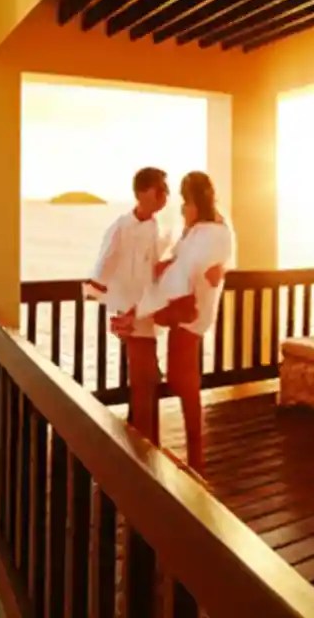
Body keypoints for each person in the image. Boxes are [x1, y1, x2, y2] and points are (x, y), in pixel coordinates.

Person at [132, 171, 235, 474]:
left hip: (192, 313)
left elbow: (193, 267)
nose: (181, 208)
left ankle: (196, 459)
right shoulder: (197, 230)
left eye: (186, 201)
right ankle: (190, 456)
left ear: (197, 201)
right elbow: (180, 261)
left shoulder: (214, 232)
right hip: (183, 311)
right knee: (181, 380)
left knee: (184, 383)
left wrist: (161, 291)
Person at [83, 167, 170, 443]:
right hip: (131, 311)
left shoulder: (158, 228)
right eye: (160, 189)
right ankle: (145, 439)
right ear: (143, 192)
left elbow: (158, 267)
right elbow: (105, 260)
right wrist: (96, 291)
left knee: (146, 374)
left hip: (149, 309)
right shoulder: (121, 226)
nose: (165, 196)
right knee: (143, 375)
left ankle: (142, 432)